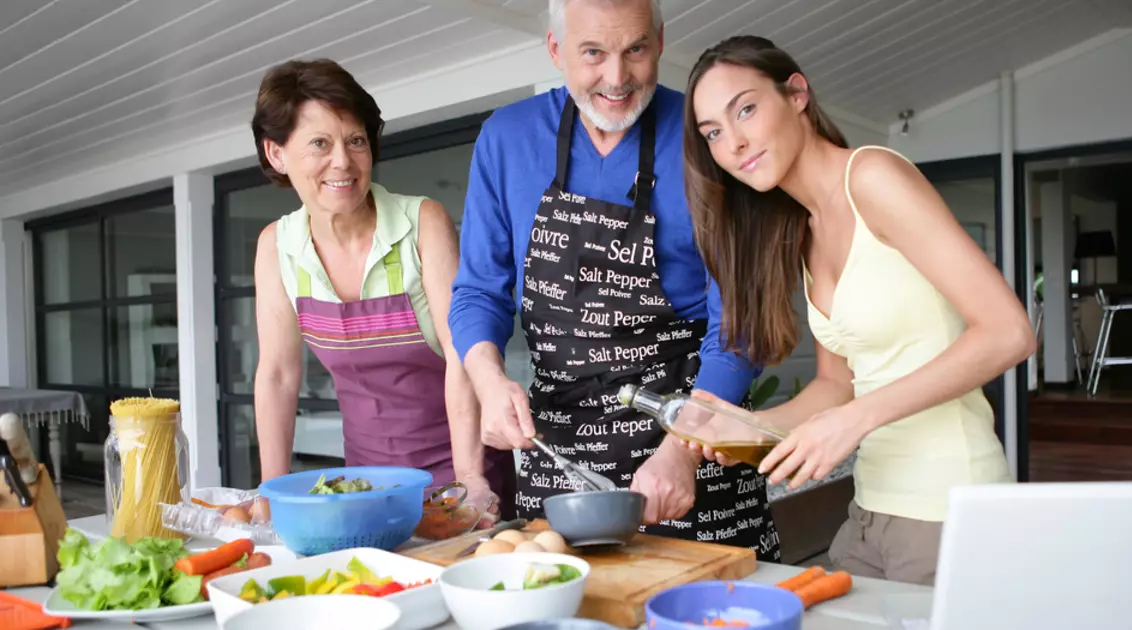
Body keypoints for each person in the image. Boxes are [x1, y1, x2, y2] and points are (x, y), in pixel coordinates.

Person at [681, 36, 1035, 584]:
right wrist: (752, 426)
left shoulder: (873, 177)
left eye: (745, 109)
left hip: (947, 505)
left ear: (797, 93)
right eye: (714, 133)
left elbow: (1009, 332)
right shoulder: (803, 228)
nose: (735, 142)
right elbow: (836, 384)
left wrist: (856, 420)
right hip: (870, 510)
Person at [449, 0, 780, 558]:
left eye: (636, 50)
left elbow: (739, 324)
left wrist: (683, 447)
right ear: (556, 51)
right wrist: (487, 380)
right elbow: (479, 291)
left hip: (695, 454)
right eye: (593, 53)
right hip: (562, 466)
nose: (617, 78)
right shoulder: (506, 139)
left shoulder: (707, 135)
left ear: (660, 40)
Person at [250, 58, 510, 522]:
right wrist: (271, 494)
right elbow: (277, 376)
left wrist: (470, 477)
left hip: (458, 475)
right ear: (276, 154)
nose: (342, 162)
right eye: (319, 144)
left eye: (356, 141)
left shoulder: (420, 223)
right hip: (366, 484)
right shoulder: (277, 247)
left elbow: (461, 353)